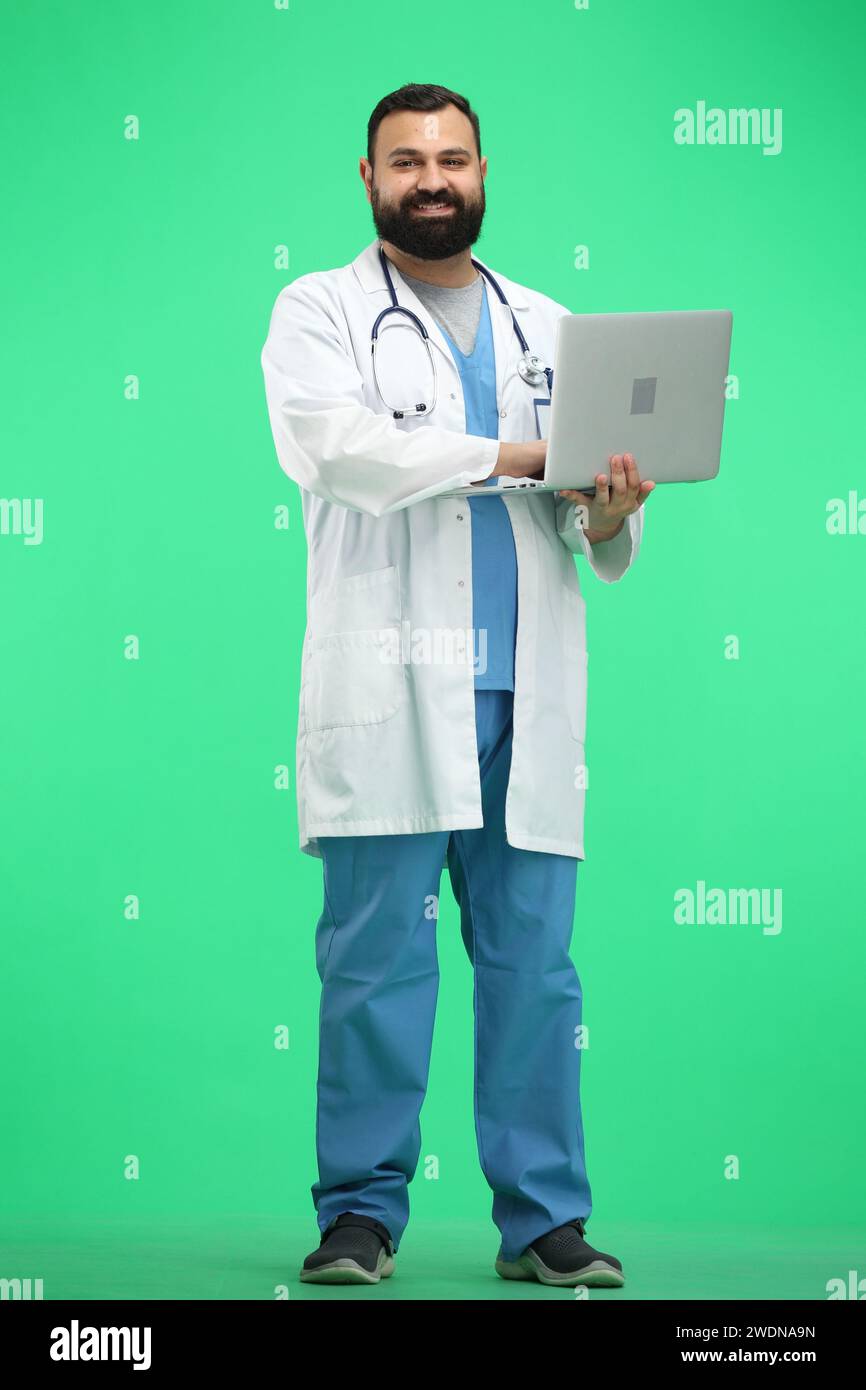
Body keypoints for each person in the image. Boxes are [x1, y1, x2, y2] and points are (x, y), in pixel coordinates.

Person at [260, 82, 653, 1288]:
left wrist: (607, 508)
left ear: (483, 171)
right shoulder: (317, 310)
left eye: (452, 158)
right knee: (375, 963)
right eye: (406, 160)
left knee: (536, 969)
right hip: (390, 689)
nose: (432, 178)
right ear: (367, 178)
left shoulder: (549, 324)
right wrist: (526, 455)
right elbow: (339, 452)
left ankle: (543, 1221)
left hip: (524, 695)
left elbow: (588, 526)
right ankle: (361, 1215)